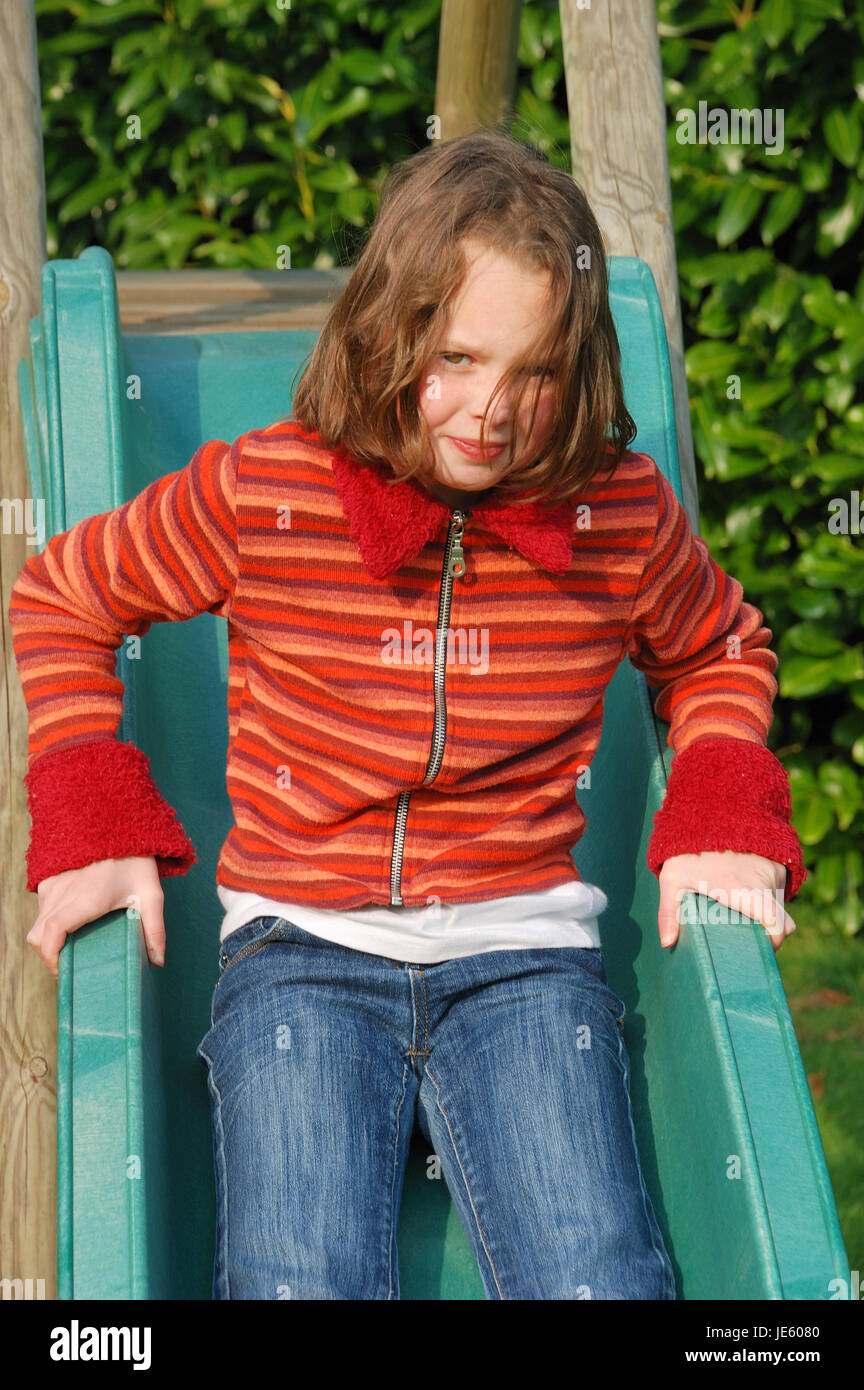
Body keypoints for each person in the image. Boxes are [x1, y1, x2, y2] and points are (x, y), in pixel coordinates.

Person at [9, 129, 806, 1300]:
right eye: (458, 358)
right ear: (390, 331)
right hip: (301, 950)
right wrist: (98, 819)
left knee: (600, 1273)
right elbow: (64, 595)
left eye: (535, 373)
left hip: (524, 953)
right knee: (297, 1277)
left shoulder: (616, 517)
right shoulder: (271, 487)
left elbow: (720, 645)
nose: (490, 411)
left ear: (579, 366)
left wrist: (722, 801)